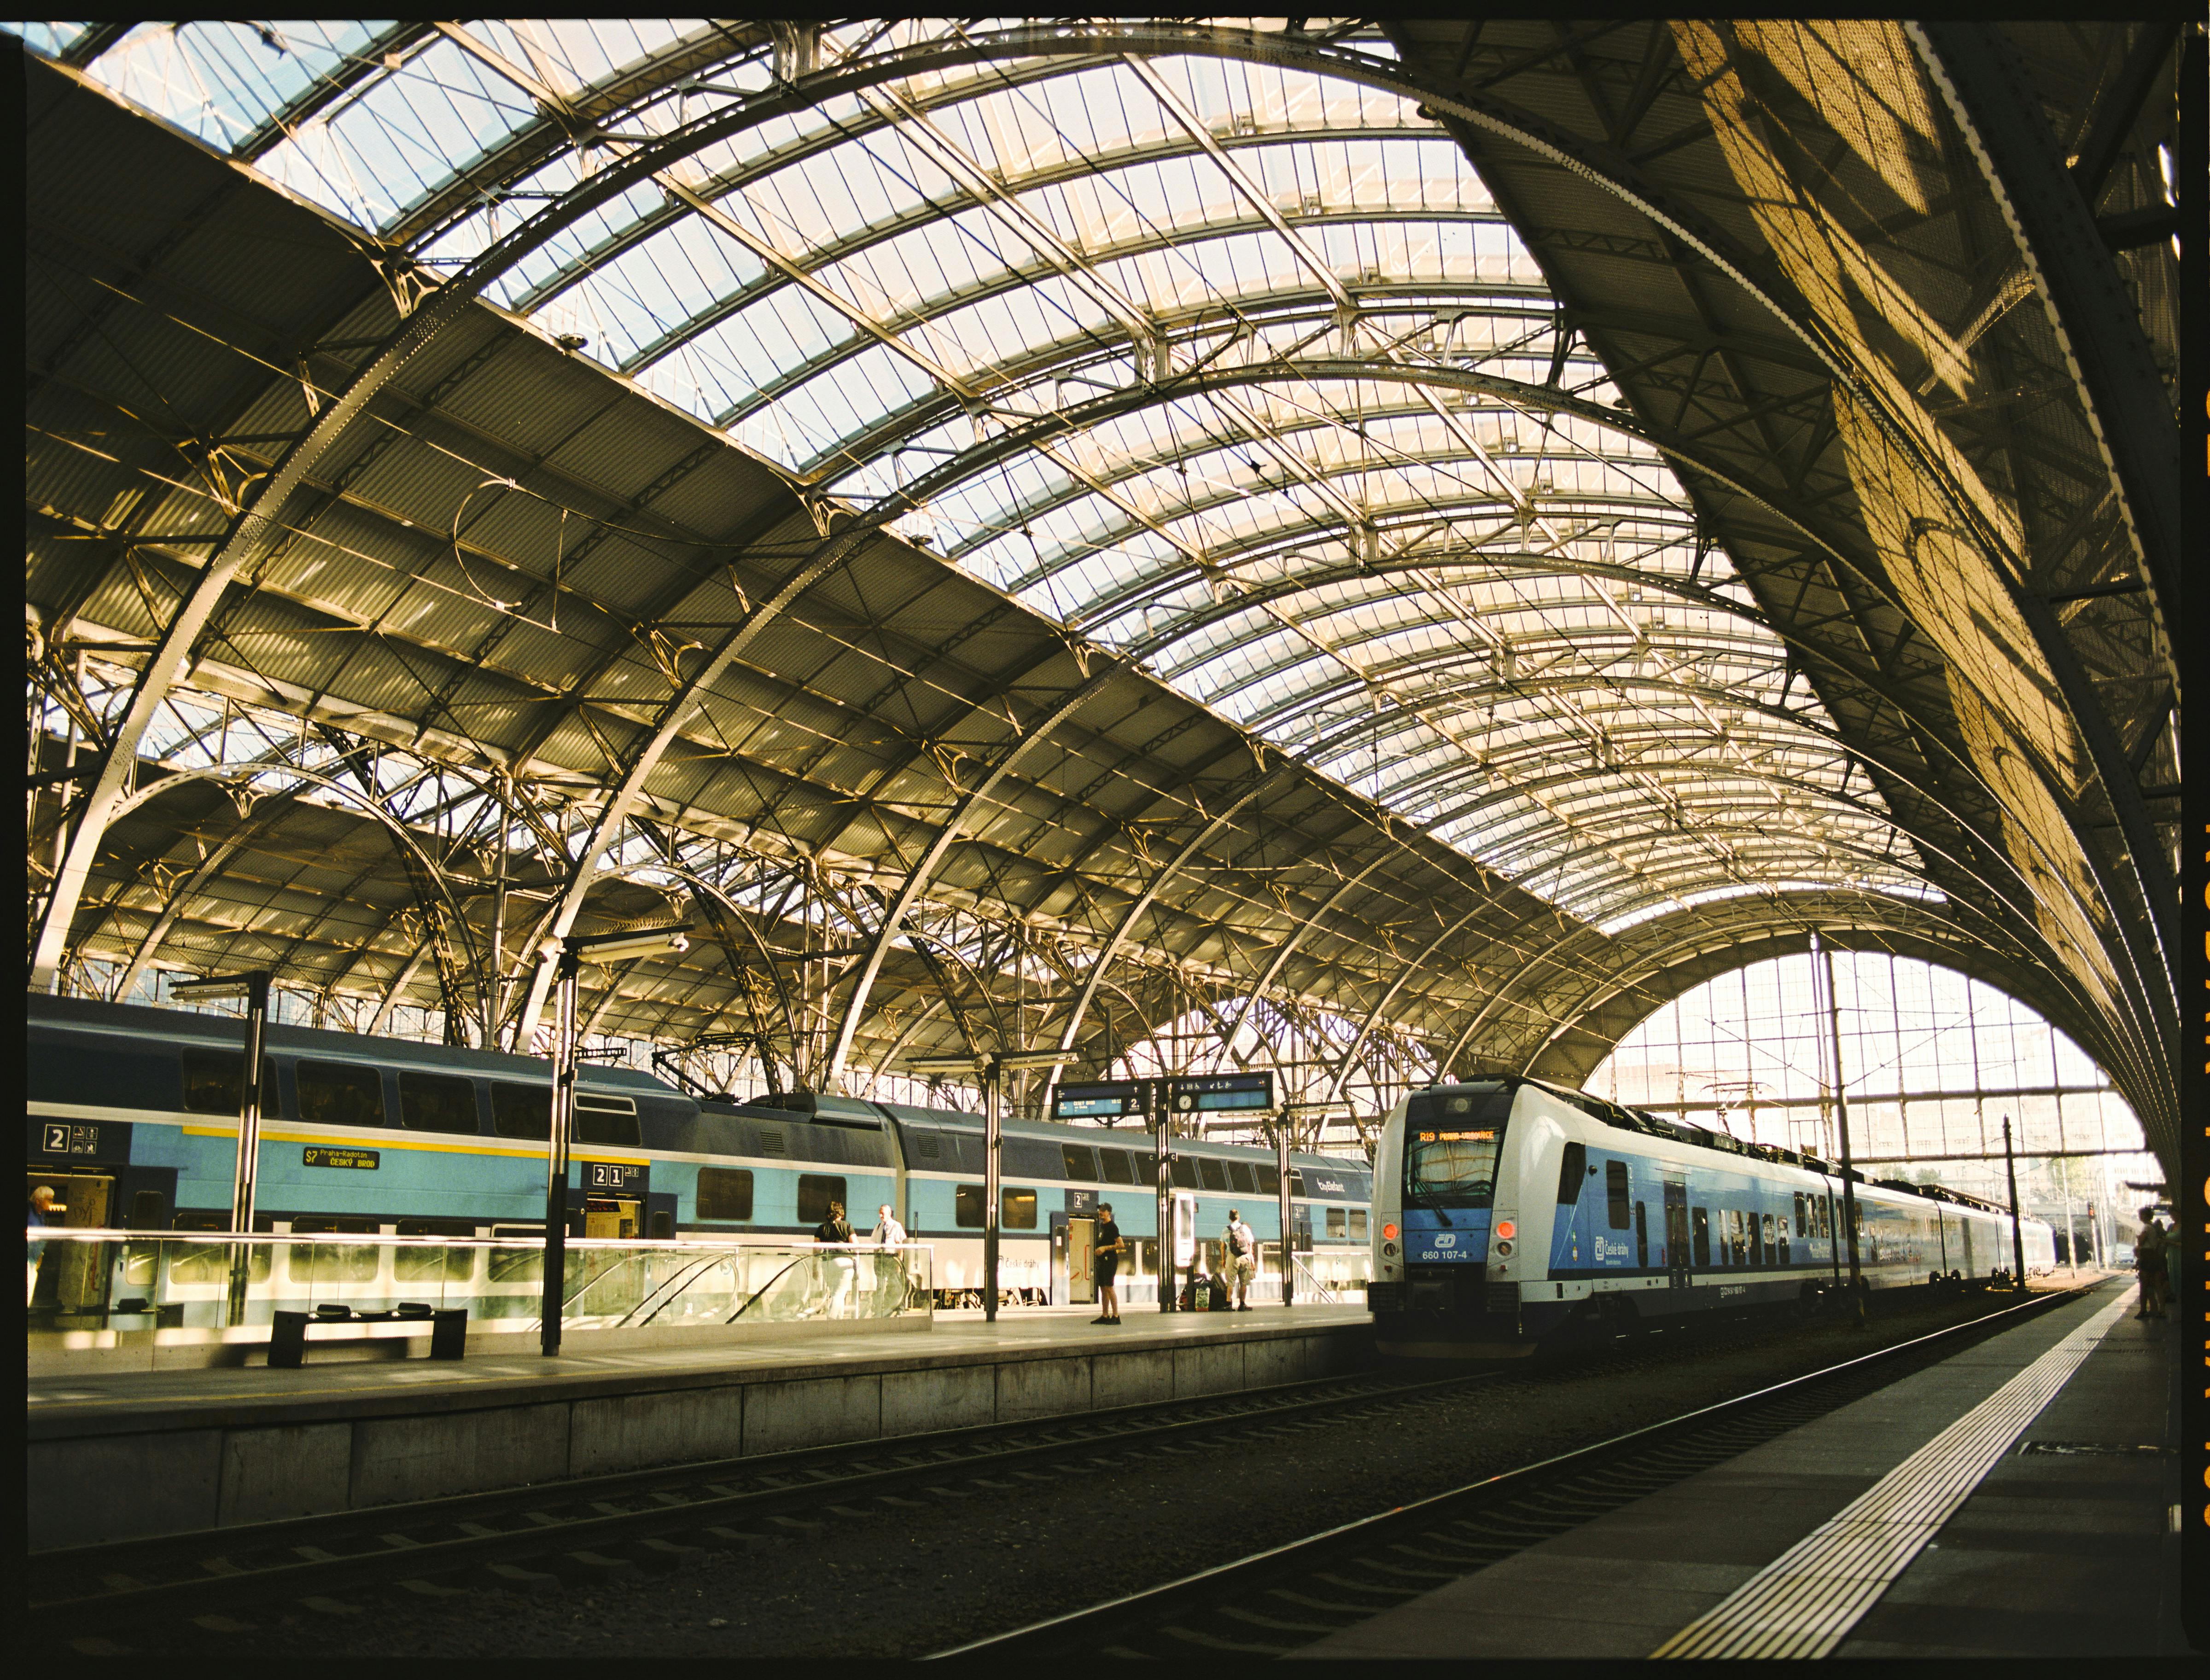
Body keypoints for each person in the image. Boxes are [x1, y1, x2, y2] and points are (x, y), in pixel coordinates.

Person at [814, 1200, 855, 1318]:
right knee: (839, 1294)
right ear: (841, 1214)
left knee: (836, 1293)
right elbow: (856, 1245)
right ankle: (830, 1320)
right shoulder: (847, 1226)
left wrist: (814, 1269)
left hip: (827, 1263)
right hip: (845, 1263)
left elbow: (816, 1249)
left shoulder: (821, 1228)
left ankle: (839, 1322)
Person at [1090, 1203, 1125, 1325]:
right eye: (1100, 1210)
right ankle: (1105, 1315)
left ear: (1109, 1213)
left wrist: (1105, 1248)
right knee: (1103, 1288)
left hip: (1110, 1261)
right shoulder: (1102, 1226)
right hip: (1102, 1261)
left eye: (1103, 1211)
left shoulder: (1112, 1227)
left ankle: (1116, 1316)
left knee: (1110, 1288)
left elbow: (1121, 1244)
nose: (1100, 1212)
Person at [870, 1203, 908, 1313]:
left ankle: (899, 1308)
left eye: (883, 1213)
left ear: (889, 1213)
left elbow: (900, 1246)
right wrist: (875, 1260)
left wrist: (899, 1263)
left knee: (896, 1284)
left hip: (892, 1259)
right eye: (880, 1213)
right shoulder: (878, 1227)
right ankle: (880, 1308)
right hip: (881, 1259)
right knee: (880, 1285)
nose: (881, 1216)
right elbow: (876, 1246)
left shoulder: (896, 1226)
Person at [27, 1183, 58, 1306]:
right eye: (49, 1200)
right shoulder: (28, 1212)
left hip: (34, 1260)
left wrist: (41, 1254)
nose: (52, 1203)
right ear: (39, 1201)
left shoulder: (41, 1215)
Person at [2134, 1208, 2167, 1320]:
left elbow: (2141, 1242)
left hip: (2147, 1258)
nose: (2140, 1217)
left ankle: (2143, 1310)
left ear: (2144, 1216)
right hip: (2155, 1258)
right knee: (2158, 1285)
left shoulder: (2146, 1228)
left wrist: (2138, 1238)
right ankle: (2162, 1310)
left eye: (2141, 1215)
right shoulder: (2153, 1227)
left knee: (2144, 1285)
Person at [1226, 1209, 1259, 1310]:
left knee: (1231, 1283)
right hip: (1245, 1257)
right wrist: (1251, 1260)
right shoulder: (1245, 1228)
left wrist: (1223, 1260)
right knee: (1243, 1283)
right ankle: (1242, 1305)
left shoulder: (1226, 1230)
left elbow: (1223, 1246)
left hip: (1232, 1258)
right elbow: (1251, 1245)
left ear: (1229, 1218)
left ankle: (1228, 1305)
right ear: (1239, 1217)